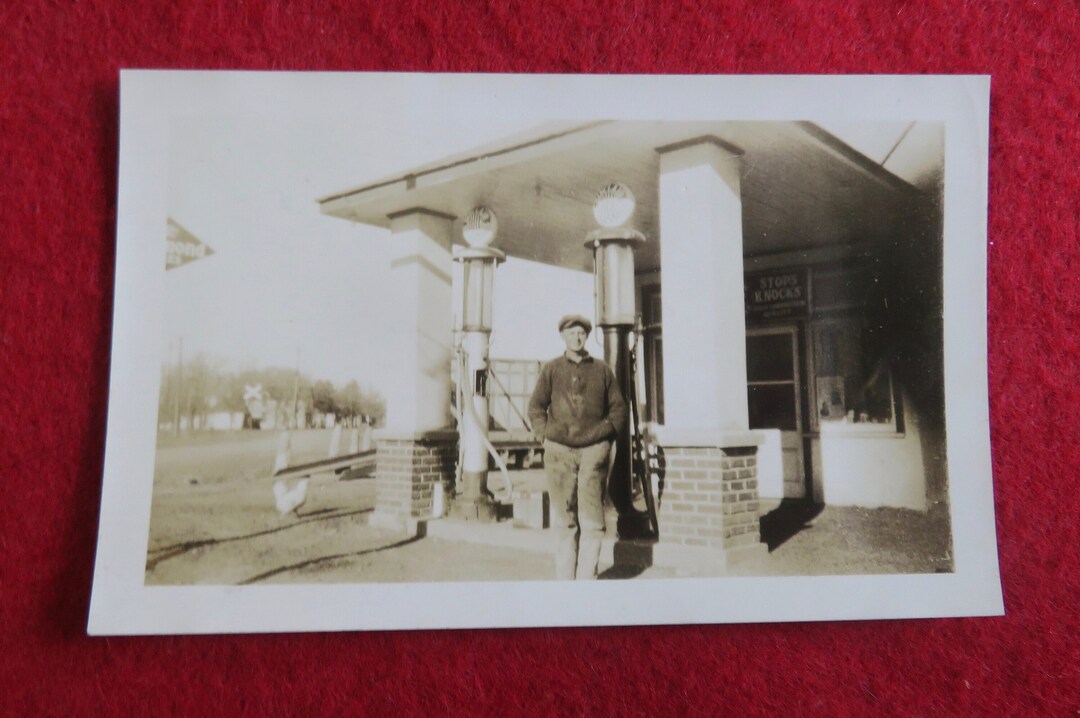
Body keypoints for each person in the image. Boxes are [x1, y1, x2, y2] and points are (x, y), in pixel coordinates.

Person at [528, 314, 627, 580]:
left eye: (581, 332)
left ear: (586, 336)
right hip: (558, 452)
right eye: (572, 332)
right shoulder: (551, 369)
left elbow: (618, 409)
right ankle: (565, 583)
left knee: (592, 520)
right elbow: (536, 406)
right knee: (563, 519)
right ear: (563, 336)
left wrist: (604, 437)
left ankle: (586, 581)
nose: (577, 337)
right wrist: (544, 435)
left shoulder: (602, 370)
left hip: (593, 453)